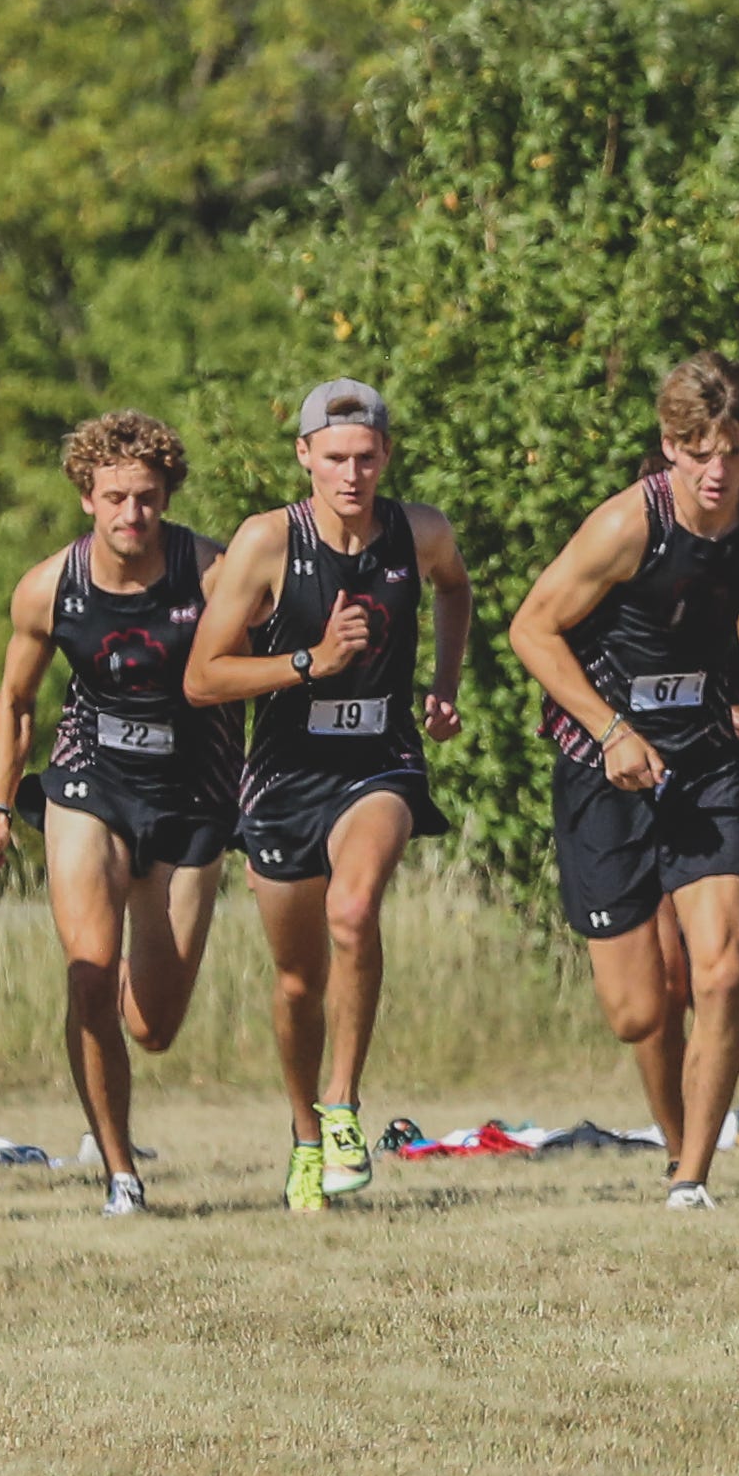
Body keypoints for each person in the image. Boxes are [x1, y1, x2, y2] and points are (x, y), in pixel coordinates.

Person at [516, 351, 739, 1209]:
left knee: (720, 972)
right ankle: (679, 1140)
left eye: (736, 452)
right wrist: (610, 729)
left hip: (710, 763)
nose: (717, 472)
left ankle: (691, 1179)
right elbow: (532, 629)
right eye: (699, 451)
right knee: (640, 1009)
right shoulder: (624, 526)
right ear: (670, 445)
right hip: (602, 770)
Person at [183, 379, 469, 1214]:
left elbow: (455, 587)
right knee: (298, 980)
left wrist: (443, 683)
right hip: (283, 772)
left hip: (380, 760)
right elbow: (205, 676)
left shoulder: (421, 531)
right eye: (335, 457)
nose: (352, 474)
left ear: (386, 456)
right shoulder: (267, 542)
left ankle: (343, 1106)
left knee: (354, 910)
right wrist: (311, 661)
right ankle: (306, 1134)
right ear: (305, 455)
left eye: (367, 457)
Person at [0, 410, 237, 1215]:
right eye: (115, 497)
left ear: (167, 497)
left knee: (153, 1026)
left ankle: (121, 984)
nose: (131, 515)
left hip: (192, 795)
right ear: (87, 495)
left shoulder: (213, 572)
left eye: (147, 498)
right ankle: (121, 1173)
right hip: (90, 782)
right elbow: (14, 704)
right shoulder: (50, 586)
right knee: (88, 973)